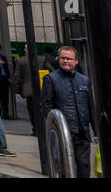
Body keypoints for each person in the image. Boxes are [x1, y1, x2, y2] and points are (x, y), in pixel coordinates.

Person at [41, 45, 95, 177]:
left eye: (69, 59)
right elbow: (46, 105)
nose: (65, 61)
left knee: (84, 167)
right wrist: (54, 127)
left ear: (76, 61)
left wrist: (96, 132)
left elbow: (91, 107)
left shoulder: (84, 80)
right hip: (63, 134)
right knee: (63, 169)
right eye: (63, 58)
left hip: (82, 133)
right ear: (58, 59)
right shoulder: (51, 79)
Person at [12, 51, 37, 122]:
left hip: (28, 89)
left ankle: (35, 128)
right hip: (40, 88)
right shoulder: (42, 59)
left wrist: (17, 90)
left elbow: (18, 77)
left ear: (25, 50)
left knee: (31, 109)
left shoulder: (20, 60)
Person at [0, 43, 12, 119]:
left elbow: (7, 68)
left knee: (5, 97)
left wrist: (9, 78)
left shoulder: (3, 57)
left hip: (4, 79)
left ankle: (6, 113)